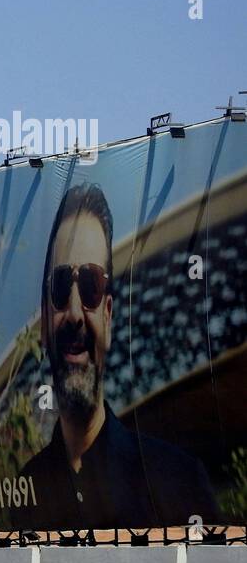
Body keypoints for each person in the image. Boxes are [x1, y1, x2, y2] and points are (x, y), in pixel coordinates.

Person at [20, 183, 217, 530]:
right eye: (61, 286)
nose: (76, 313)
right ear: (44, 319)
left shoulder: (178, 479)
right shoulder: (27, 489)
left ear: (108, 316)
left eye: (92, 286)